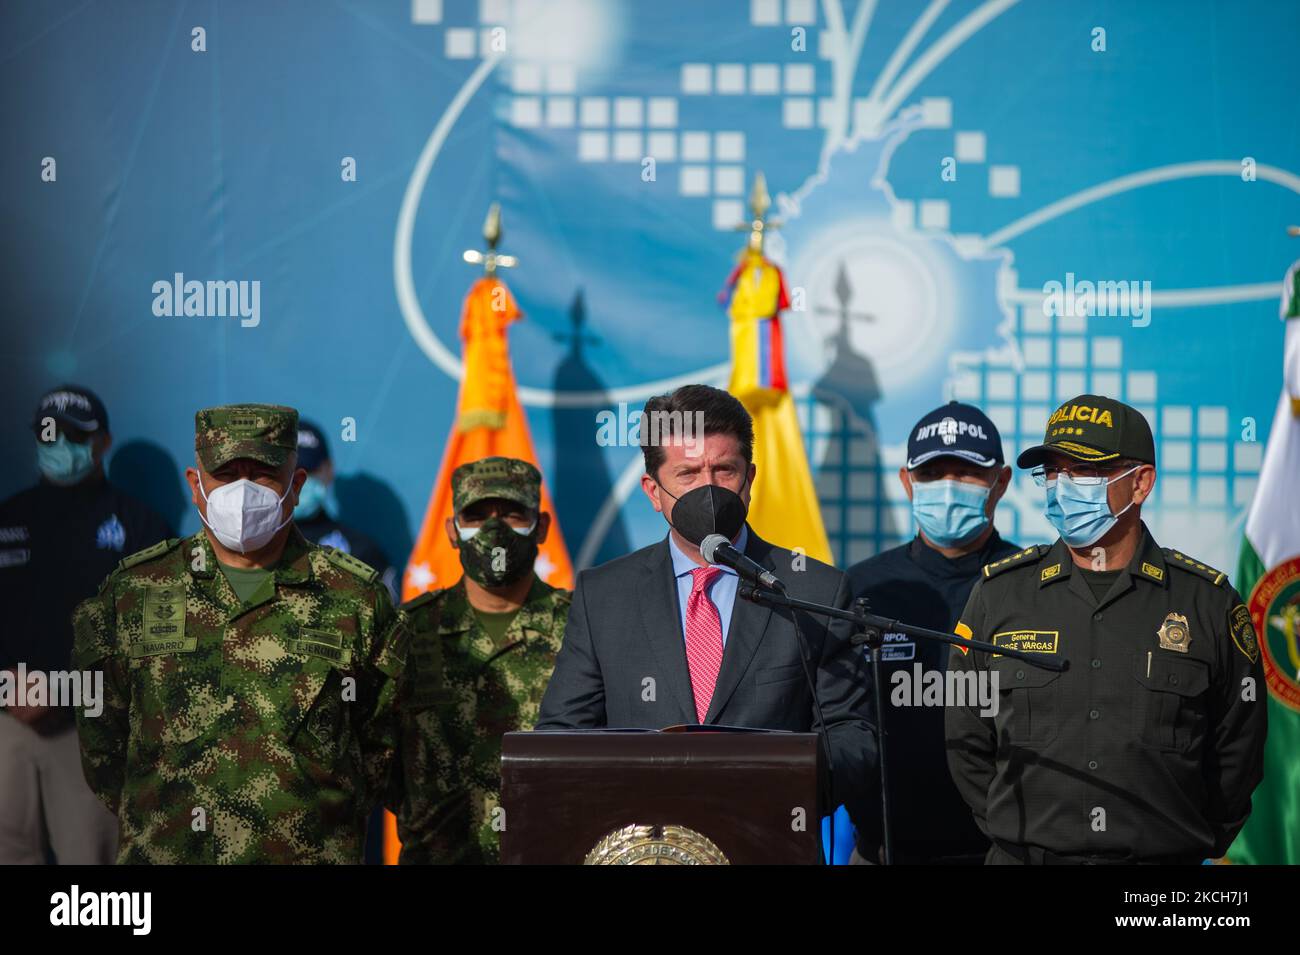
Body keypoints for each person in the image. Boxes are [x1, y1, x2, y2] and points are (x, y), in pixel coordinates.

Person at [71, 404, 408, 863]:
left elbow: (382, 749)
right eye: (226, 474)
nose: (244, 491)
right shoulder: (132, 594)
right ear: (196, 486)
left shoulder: (355, 600)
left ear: (296, 486)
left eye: (264, 474)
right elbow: (103, 751)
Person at [945, 395, 1268, 864]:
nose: (1061, 487)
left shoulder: (1208, 603)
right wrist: (1023, 835)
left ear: (1140, 483)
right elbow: (966, 740)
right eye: (1053, 471)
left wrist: (1180, 840)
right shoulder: (998, 596)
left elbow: (1238, 752)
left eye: (1084, 471)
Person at [536, 384, 876, 824]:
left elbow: (853, 738)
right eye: (689, 474)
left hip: (768, 836)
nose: (709, 489)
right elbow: (561, 739)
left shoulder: (813, 592)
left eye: (724, 470)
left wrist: (765, 784)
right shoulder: (604, 596)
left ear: (749, 478)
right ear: (653, 490)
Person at [0, 385, 171, 865]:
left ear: (104, 442)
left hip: (92, 730)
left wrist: (63, 689)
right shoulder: (6, 519)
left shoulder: (143, 528)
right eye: (48, 434)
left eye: (74, 435)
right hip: (6, 726)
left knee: (91, 867)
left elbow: (158, 646)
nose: (59, 445)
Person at [847, 400, 1017, 864]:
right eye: (932, 474)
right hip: (884, 853)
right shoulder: (861, 588)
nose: (948, 488)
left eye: (965, 474)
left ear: (1000, 482)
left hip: (1007, 855)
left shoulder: (1037, 584)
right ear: (907, 482)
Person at [390, 456, 570, 864]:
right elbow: (378, 762)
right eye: (476, 515)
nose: (494, 529)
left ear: (540, 527)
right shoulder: (407, 631)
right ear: (452, 531)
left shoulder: (584, 629)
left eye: (512, 513)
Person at [293, 419, 397, 601]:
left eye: (309, 470)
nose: (301, 480)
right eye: (291, 472)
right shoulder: (251, 547)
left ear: (329, 470)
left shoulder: (361, 552)